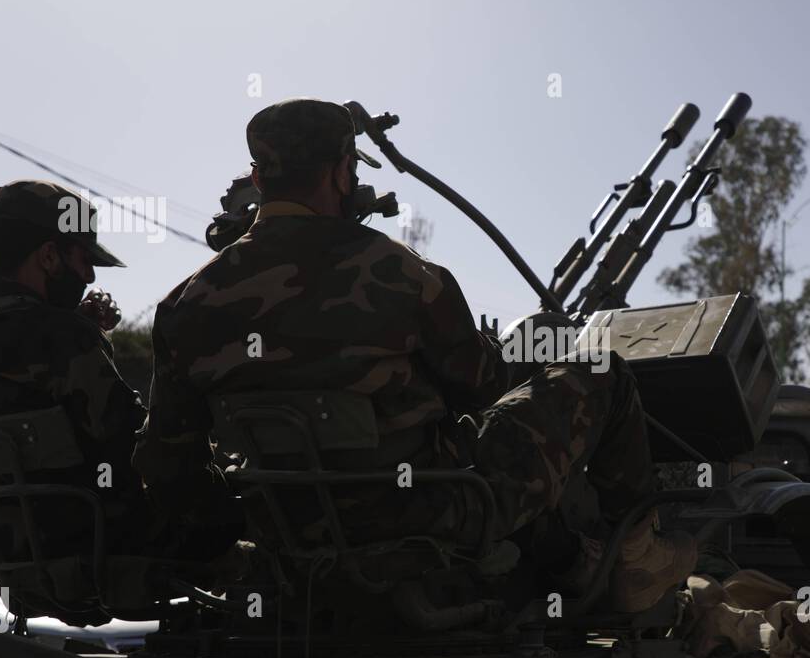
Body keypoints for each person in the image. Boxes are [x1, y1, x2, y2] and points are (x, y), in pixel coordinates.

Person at [133, 97, 696, 613]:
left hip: (288, 538)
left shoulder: (186, 304)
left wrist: (265, 523)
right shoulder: (401, 273)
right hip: (435, 515)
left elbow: (168, 466)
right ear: (340, 171)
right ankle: (637, 563)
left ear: (258, 176)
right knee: (600, 373)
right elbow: (487, 388)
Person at [0, 180, 239, 617]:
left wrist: (75, 326)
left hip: (13, 555)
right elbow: (144, 450)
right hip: (110, 548)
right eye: (84, 260)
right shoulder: (66, 339)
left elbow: (9, 363)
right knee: (253, 506)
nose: (89, 277)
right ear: (49, 256)